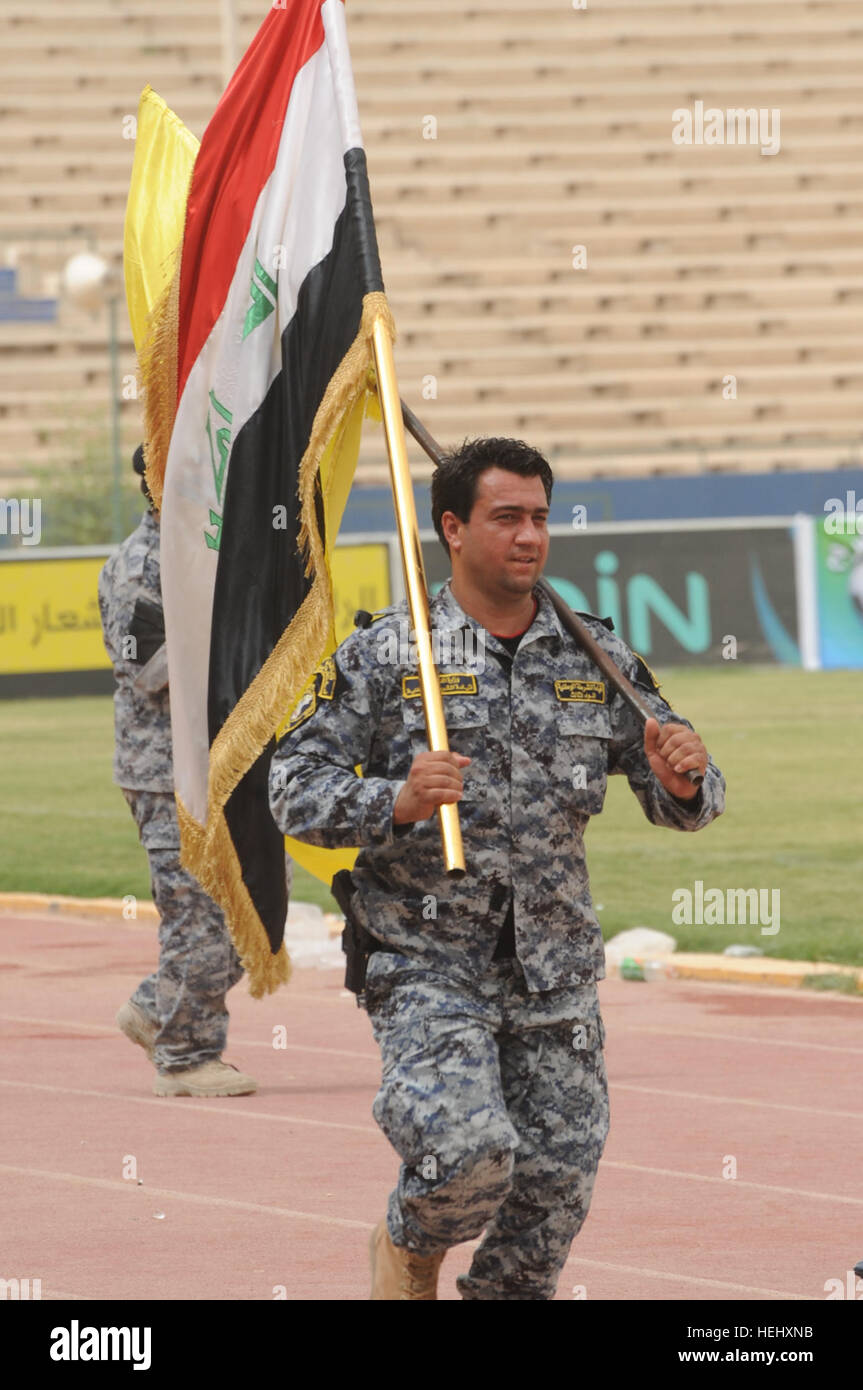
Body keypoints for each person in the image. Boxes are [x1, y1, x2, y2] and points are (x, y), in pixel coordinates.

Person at [269, 436, 726, 1299]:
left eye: (540, 519)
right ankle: (407, 1244)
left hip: (554, 970)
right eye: (506, 517)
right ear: (451, 526)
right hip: (424, 961)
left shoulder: (594, 657)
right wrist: (392, 802)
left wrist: (684, 780)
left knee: (552, 1194)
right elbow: (289, 789)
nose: (529, 537)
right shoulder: (385, 656)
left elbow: (685, 793)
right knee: (469, 1155)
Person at [98, 445, 256, 1097]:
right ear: (156, 482)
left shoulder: (205, 553)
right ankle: (186, 1057)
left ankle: (155, 1006)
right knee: (197, 918)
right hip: (166, 772)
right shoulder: (142, 565)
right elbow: (145, 669)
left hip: (218, 763)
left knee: (251, 919)